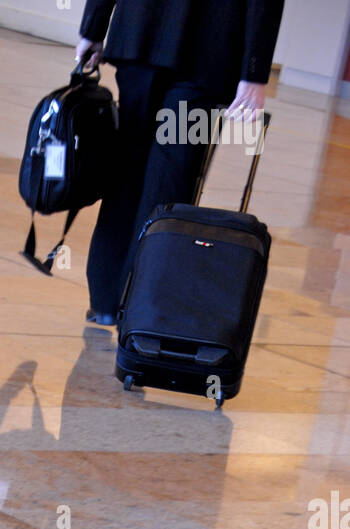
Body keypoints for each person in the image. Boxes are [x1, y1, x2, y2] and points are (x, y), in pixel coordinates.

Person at [75, 0, 284, 324]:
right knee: (171, 177)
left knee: (127, 170)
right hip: (207, 51)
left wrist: (93, 27)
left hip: (141, 33)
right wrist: (254, 73)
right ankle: (140, 304)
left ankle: (106, 299)